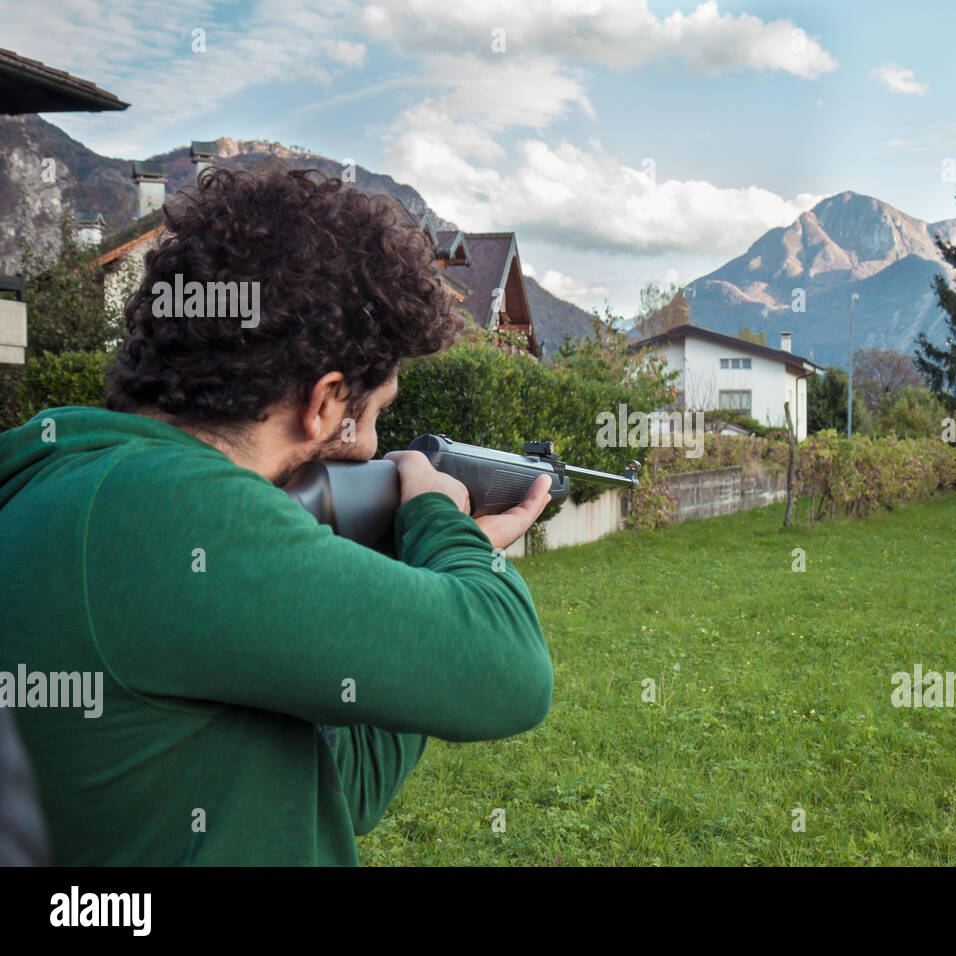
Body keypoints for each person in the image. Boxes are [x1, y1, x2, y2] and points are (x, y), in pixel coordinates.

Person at [0, 164, 554, 865]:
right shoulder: (177, 515)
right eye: (376, 413)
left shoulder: (71, 479)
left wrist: (412, 580)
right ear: (323, 403)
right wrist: (439, 519)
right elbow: (512, 673)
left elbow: (345, 787)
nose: (378, 446)